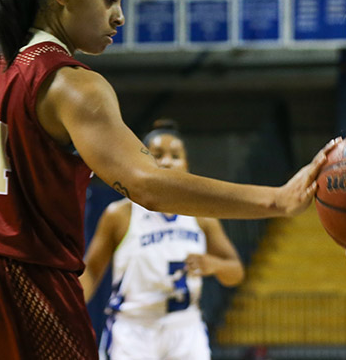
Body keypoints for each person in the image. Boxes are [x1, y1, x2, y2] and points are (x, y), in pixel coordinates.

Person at [0, 0, 324, 360]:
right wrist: (276, 200)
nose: (120, 16)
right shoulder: (72, 84)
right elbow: (147, 185)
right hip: (23, 278)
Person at [80, 119, 245, 360]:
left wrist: (214, 265)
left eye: (175, 155)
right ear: (142, 163)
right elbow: (92, 271)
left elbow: (236, 272)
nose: (167, 161)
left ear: (186, 165)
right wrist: (63, 307)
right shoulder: (120, 214)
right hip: (133, 329)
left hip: (185, 328)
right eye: (157, 155)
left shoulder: (202, 217)